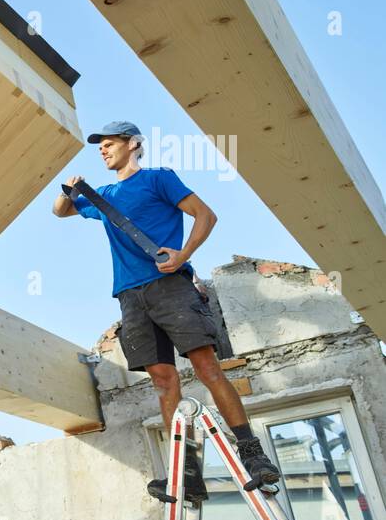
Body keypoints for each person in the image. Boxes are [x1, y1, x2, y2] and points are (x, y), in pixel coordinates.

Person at [53, 121, 280, 500]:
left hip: (170, 286)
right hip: (129, 295)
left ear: (134, 144)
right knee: (163, 381)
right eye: (100, 147)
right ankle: (186, 474)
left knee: (207, 368)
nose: (102, 150)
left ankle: (252, 454)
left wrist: (184, 255)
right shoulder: (103, 194)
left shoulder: (158, 179)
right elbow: (61, 211)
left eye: (109, 144)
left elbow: (205, 215)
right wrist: (68, 191)